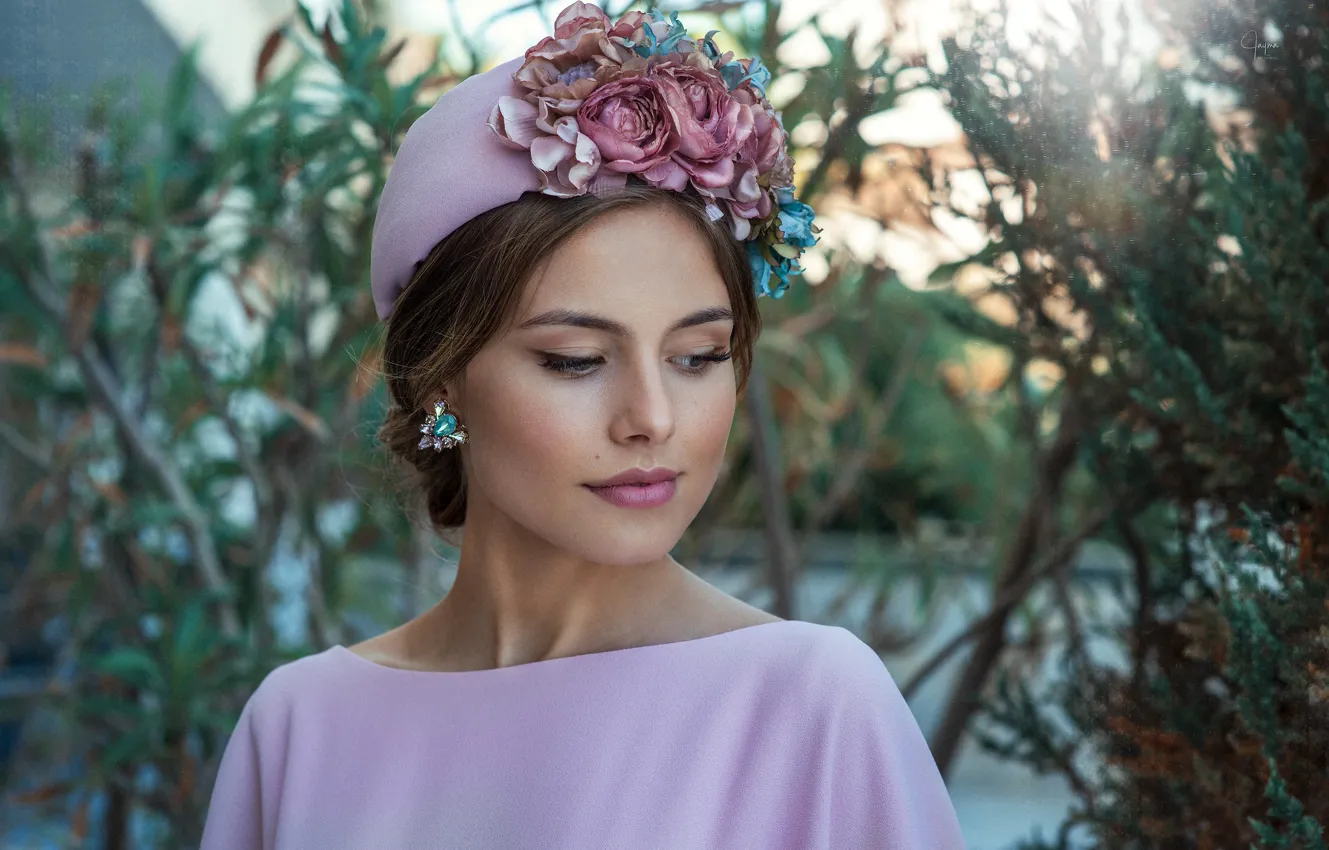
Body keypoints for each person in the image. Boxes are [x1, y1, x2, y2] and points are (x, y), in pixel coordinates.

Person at [198, 4, 967, 848]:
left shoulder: (812, 705)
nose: (652, 419)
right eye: (575, 359)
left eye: (700, 355)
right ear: (436, 378)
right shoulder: (299, 729)